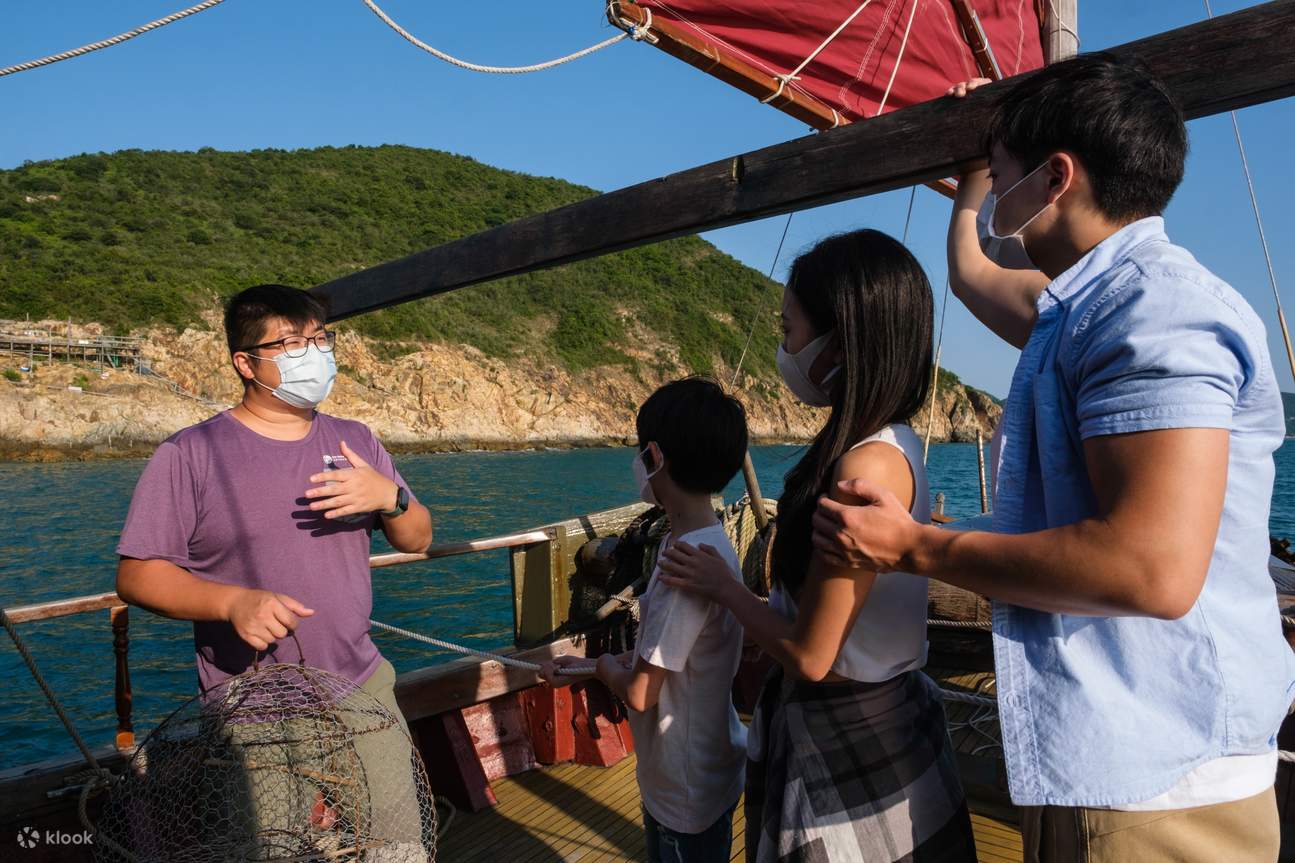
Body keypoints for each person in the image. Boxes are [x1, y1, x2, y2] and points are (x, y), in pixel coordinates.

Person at [812, 55, 1295, 863]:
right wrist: (974, 165)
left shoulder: (1153, 311)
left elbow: (1148, 569)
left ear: (1055, 177)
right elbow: (970, 273)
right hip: (1104, 764)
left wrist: (914, 546)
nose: (995, 197)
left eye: (1003, 177)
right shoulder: (1083, 309)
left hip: (1157, 780)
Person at [658, 230, 976, 863]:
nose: (785, 346)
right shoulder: (896, 441)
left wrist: (725, 589)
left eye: (790, 327)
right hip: (880, 722)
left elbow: (812, 655)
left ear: (841, 342)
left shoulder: (866, 466)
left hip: (846, 731)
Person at [116, 284, 434, 852]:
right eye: (289, 343)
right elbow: (138, 574)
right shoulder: (188, 455)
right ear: (246, 362)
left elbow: (418, 538)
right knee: (271, 849)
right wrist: (231, 602)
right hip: (250, 707)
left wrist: (391, 497)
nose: (311, 354)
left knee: (398, 843)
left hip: (361, 686)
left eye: (318, 340)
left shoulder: (356, 439)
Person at [541, 376, 750, 863]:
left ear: (655, 457)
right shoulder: (709, 546)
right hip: (704, 767)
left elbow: (640, 692)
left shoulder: (683, 567)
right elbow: (675, 661)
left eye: (640, 454)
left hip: (683, 787)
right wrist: (590, 667)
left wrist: (606, 669)